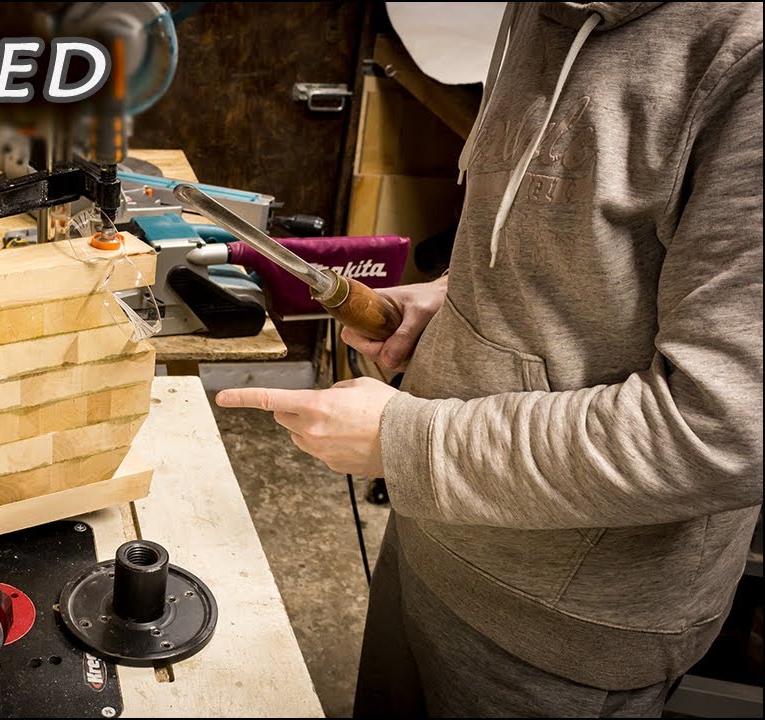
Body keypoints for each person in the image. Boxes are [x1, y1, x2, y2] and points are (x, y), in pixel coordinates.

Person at [215, 2, 763, 716]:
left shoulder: (744, 58)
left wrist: (405, 442)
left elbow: (722, 429)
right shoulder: (541, 10)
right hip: (434, 534)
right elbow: (559, 238)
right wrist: (453, 297)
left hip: (563, 629)